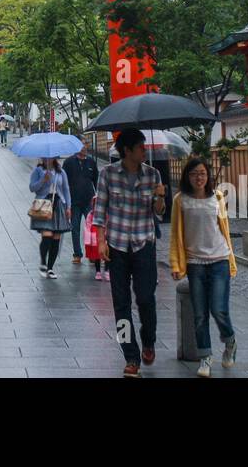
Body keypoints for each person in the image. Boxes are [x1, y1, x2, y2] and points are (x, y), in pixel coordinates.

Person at [93, 128, 165, 378]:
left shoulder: (153, 175)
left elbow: (159, 213)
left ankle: (148, 340)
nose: (145, 151)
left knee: (146, 298)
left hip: (144, 243)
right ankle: (130, 356)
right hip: (118, 245)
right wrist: (101, 241)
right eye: (141, 148)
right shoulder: (108, 175)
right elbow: (100, 211)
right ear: (127, 150)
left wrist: (160, 198)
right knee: (121, 305)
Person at [170, 156, 238, 378]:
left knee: (219, 309)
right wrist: (176, 263)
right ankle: (205, 357)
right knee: (199, 315)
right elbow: (175, 235)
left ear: (207, 176)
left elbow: (224, 229)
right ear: (187, 176)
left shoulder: (217, 197)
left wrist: (231, 260)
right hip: (195, 263)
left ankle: (230, 342)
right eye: (193, 174)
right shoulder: (180, 200)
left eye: (202, 173)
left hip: (219, 259)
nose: (198, 177)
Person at [29, 156, 72, 278]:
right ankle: (43, 262)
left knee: (56, 237)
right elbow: (32, 188)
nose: (48, 159)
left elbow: (66, 189)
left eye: (50, 157)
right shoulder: (38, 171)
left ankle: (50, 268)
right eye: (45, 157)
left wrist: (69, 206)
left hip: (58, 205)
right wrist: (43, 179)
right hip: (44, 204)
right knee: (47, 236)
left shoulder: (61, 172)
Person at [63, 145, 99, 266]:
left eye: (86, 145)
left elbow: (96, 180)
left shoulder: (91, 162)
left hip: (89, 200)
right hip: (74, 201)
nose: (85, 148)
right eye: (82, 146)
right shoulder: (68, 162)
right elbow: (64, 182)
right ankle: (77, 254)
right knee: (75, 228)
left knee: (91, 229)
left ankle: (92, 254)